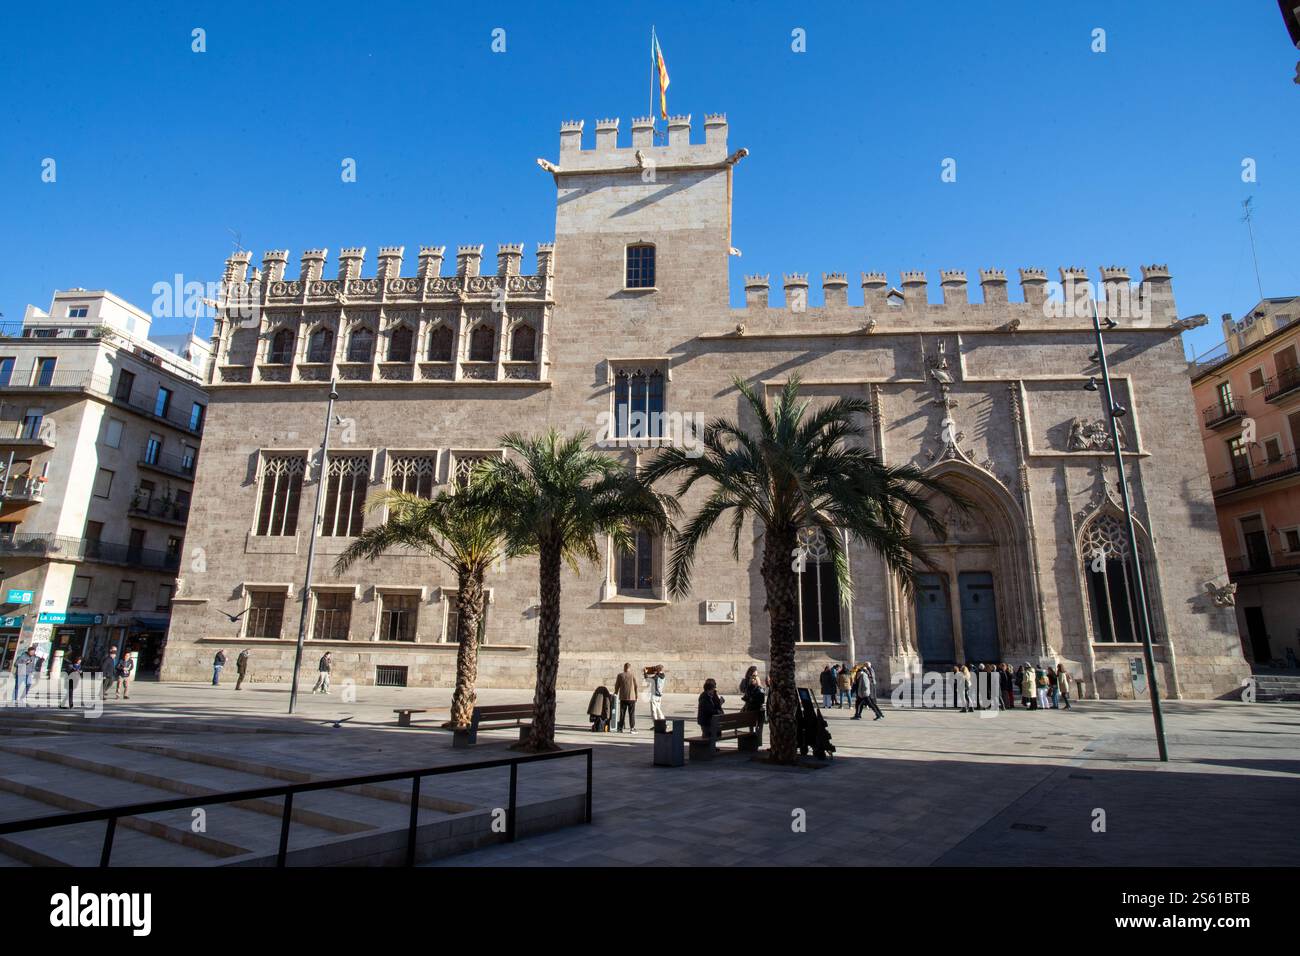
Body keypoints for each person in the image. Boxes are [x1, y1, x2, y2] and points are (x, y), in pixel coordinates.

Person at [614, 662, 638, 733]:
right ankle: (632, 728)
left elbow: (617, 686)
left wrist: (616, 692)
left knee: (622, 713)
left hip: (623, 697)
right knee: (631, 713)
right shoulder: (632, 675)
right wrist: (637, 696)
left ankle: (620, 728)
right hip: (632, 697)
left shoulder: (620, 675)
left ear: (624, 667)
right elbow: (636, 686)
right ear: (629, 668)